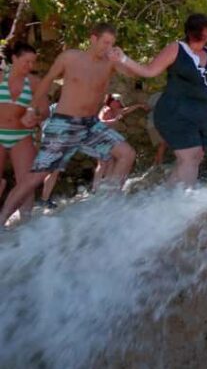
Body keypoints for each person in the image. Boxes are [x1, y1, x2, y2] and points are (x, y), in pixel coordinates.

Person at [0, 24, 138, 226]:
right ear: (93, 39)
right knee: (35, 178)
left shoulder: (111, 62)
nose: (109, 47)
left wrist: (123, 58)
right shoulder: (70, 57)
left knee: (127, 154)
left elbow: (133, 75)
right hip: (63, 124)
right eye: (106, 42)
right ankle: (2, 219)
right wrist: (31, 109)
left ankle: (106, 207)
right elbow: (47, 81)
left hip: (90, 125)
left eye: (112, 44)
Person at [111, 13, 207, 186]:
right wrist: (123, 59)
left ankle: (163, 198)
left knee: (195, 157)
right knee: (189, 157)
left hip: (199, 115)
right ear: (191, 33)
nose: (205, 38)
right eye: (202, 35)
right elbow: (149, 71)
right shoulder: (176, 48)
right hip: (175, 112)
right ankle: (183, 201)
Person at [0, 43, 42, 221]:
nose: (30, 66)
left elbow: (45, 110)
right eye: (26, 62)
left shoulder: (34, 82)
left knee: (26, 183)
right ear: (14, 58)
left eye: (33, 63)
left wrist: (35, 116)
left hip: (22, 135)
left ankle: (25, 226)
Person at [94, 94, 149, 189]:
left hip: (106, 139)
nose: (119, 103)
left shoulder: (116, 111)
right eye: (118, 101)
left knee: (110, 161)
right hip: (100, 138)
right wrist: (114, 120)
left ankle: (105, 184)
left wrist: (139, 105)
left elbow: (127, 110)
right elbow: (100, 123)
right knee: (103, 163)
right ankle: (97, 187)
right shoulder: (106, 109)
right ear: (111, 102)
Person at [144, 90, 167, 166]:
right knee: (162, 143)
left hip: (163, 126)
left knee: (163, 144)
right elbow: (146, 108)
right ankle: (159, 165)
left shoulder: (173, 97)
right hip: (153, 124)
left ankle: (155, 164)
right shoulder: (156, 95)